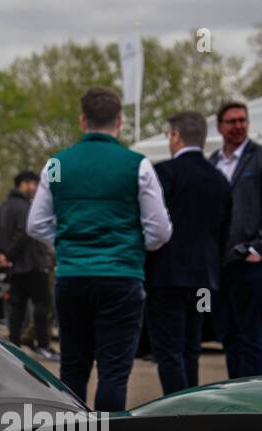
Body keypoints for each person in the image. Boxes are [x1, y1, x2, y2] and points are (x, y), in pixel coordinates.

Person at [26, 86, 172, 412]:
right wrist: (131, 245)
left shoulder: (57, 164)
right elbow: (159, 230)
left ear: (82, 120)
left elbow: (35, 224)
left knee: (73, 368)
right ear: (119, 122)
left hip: (73, 277)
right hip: (121, 276)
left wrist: (66, 242)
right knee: (114, 372)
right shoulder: (139, 165)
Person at [146, 111, 231, 395]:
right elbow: (224, 230)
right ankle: (191, 403)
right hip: (204, 280)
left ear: (176, 136)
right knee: (192, 346)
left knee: (168, 349)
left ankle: (175, 409)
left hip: (167, 276)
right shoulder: (219, 179)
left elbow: (152, 222)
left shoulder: (165, 174)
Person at [209, 100, 262, 379]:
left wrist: (258, 248)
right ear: (220, 127)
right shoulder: (213, 162)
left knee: (253, 335)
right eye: (231, 121)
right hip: (222, 265)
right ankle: (236, 396)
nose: (238, 126)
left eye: (243, 120)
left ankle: (254, 404)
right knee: (229, 335)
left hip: (254, 263)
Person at [0, 170, 56, 359]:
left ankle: (14, 346)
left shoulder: (3, 206)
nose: (36, 189)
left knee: (17, 308)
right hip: (33, 264)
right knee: (43, 305)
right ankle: (43, 345)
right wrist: (10, 254)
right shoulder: (26, 206)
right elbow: (26, 233)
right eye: (33, 184)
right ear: (24, 184)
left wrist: (2, 255)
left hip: (15, 267)